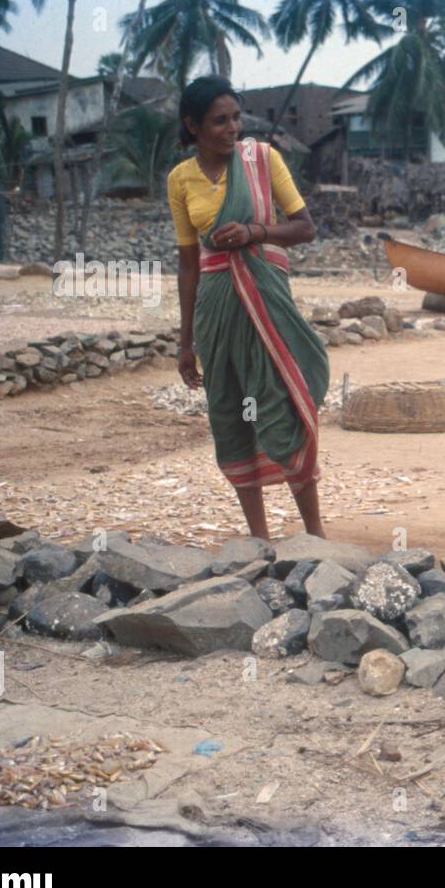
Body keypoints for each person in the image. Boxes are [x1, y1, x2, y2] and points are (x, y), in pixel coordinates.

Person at [167, 75, 330, 540]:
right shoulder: (180, 180)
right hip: (217, 312)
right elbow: (187, 265)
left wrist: (255, 233)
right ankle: (258, 539)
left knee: (280, 407)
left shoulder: (263, 160)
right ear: (193, 125)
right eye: (219, 120)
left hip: (266, 305)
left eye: (236, 117)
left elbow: (305, 228)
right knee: (230, 413)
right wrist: (185, 343)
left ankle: (315, 535)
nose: (232, 128)